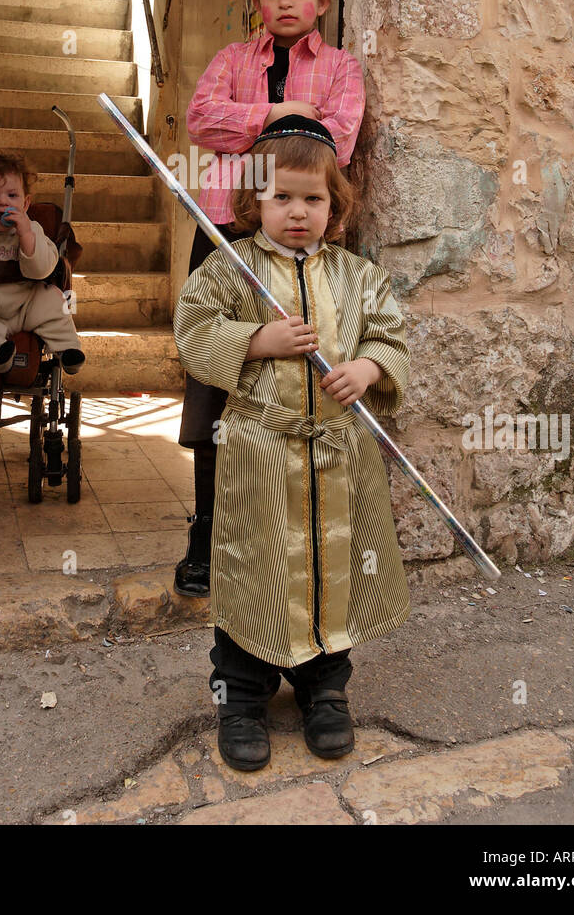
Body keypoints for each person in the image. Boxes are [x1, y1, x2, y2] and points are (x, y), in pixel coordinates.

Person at [172, 115, 411, 772]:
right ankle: (242, 698)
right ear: (254, 201)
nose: (298, 212)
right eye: (282, 197)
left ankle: (324, 689)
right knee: (253, 570)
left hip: (338, 456)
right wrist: (256, 340)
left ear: (335, 205)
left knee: (332, 571)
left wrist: (368, 368)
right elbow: (193, 330)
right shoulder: (231, 269)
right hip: (258, 452)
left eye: (314, 198)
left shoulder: (356, 277)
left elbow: (389, 334)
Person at [174, 0, 366, 597]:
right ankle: (206, 529)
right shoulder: (231, 58)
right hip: (223, 231)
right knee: (214, 371)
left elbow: (337, 139)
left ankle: (285, 528)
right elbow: (202, 119)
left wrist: (258, 129)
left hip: (300, 238)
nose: (285, 3)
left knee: (292, 373)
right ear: (257, 0)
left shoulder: (342, 67)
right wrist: (282, 112)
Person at [0, 150, 85, 374]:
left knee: (53, 301)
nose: (3, 201)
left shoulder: (31, 229)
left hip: (23, 305)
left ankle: (67, 349)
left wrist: (26, 236)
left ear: (25, 204)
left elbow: (42, 269)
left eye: (12, 195)